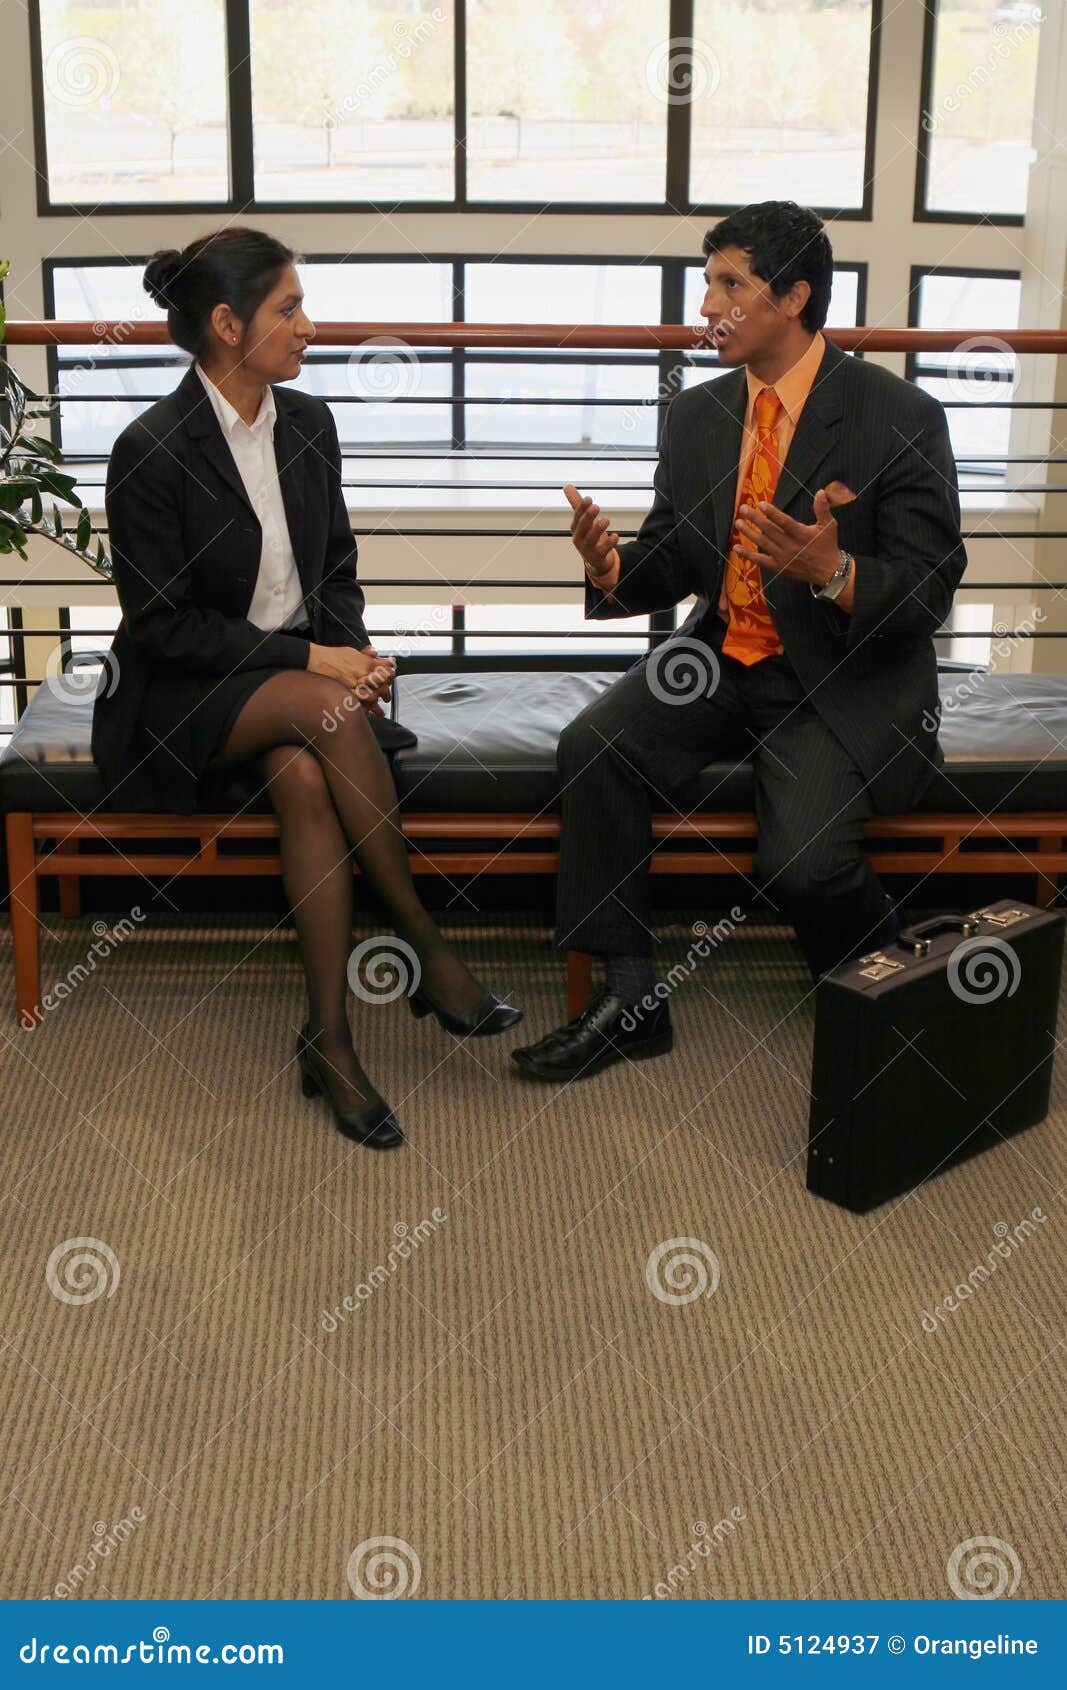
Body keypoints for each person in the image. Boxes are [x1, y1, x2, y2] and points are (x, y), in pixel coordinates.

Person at [512, 199, 967, 1082]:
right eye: (707, 282)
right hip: (718, 657)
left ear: (793, 297)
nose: (708, 305)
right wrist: (612, 571)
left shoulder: (897, 414)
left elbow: (930, 584)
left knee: (800, 864)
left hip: (836, 675)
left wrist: (833, 573)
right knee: (594, 746)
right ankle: (630, 998)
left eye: (731, 285)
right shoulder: (699, 415)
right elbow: (677, 552)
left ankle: (891, 993)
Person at [91, 226, 521, 1149]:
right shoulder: (151, 448)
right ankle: (422, 943)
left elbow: (335, 572)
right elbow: (163, 626)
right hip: (177, 695)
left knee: (302, 779)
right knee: (324, 709)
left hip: (292, 686)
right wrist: (316, 667)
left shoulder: (311, 424)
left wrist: (349, 651)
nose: (307, 326)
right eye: (288, 308)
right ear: (224, 324)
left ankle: (329, 1039)